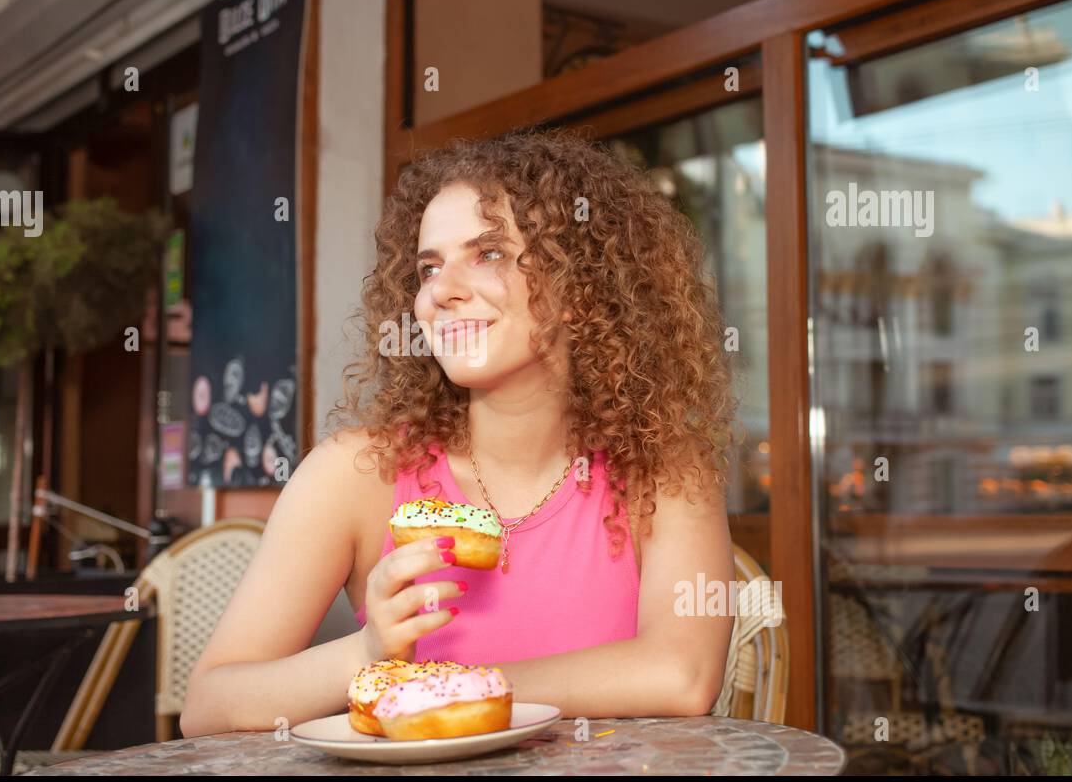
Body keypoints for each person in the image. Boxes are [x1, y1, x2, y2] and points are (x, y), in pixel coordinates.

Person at [181, 128, 738, 736]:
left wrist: (447, 688)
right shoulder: (357, 472)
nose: (440, 293)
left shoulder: (664, 468)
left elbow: (682, 675)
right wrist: (365, 654)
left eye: (490, 253)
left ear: (579, 287)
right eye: (428, 268)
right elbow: (209, 706)